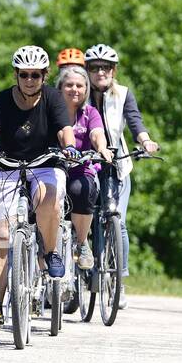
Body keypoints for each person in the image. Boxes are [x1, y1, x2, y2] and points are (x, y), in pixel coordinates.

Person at [0, 45, 78, 320]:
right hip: (7, 167)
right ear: (16, 74)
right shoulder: (3, 100)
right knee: (3, 235)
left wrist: (70, 147)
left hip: (45, 165)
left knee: (48, 198)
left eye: (35, 75)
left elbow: (65, 129)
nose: (29, 80)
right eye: (24, 74)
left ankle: (50, 252)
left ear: (44, 75)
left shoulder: (53, 98)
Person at [84, 44, 159, 307]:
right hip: (86, 164)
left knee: (118, 220)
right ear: (87, 71)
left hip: (117, 166)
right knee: (86, 219)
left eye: (106, 67)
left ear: (114, 71)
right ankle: (84, 267)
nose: (100, 72)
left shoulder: (123, 94)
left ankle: (118, 281)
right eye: (94, 68)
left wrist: (146, 141)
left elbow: (135, 120)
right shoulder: (80, 94)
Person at [56, 64, 112, 270]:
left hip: (80, 170)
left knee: (82, 189)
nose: (75, 89)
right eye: (69, 85)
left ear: (86, 89)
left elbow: (96, 133)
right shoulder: (52, 110)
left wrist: (102, 148)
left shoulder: (90, 113)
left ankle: (81, 243)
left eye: (80, 85)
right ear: (60, 87)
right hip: (53, 168)